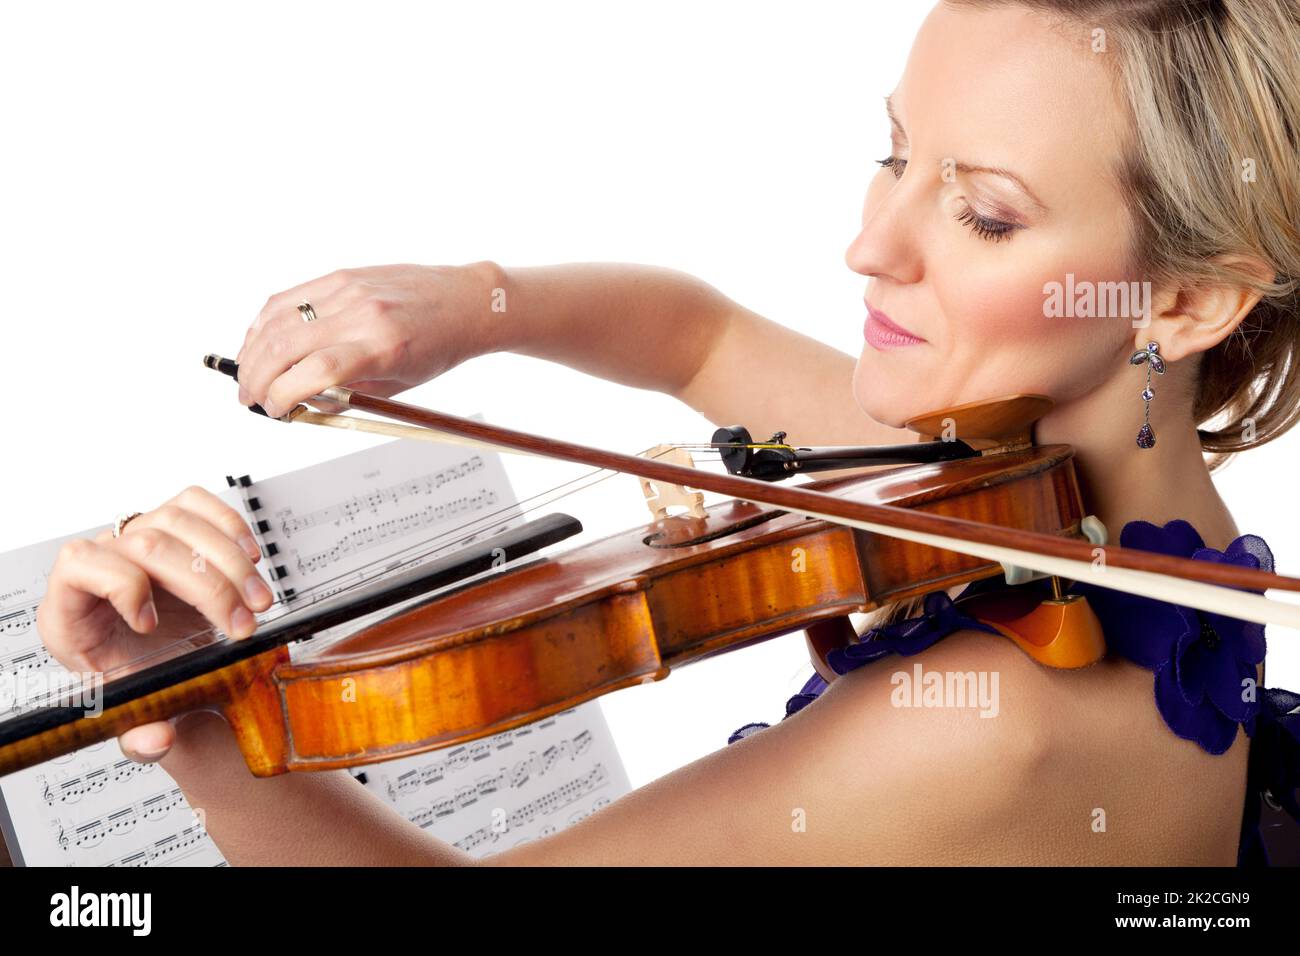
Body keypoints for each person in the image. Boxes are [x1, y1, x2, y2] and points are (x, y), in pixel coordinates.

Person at [35, 0, 1300, 865]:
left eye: (982, 216)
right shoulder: (1079, 501)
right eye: (895, 151)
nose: (867, 244)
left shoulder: (992, 728)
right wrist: (466, 300)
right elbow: (694, 336)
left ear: (1186, 301)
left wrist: (198, 721)